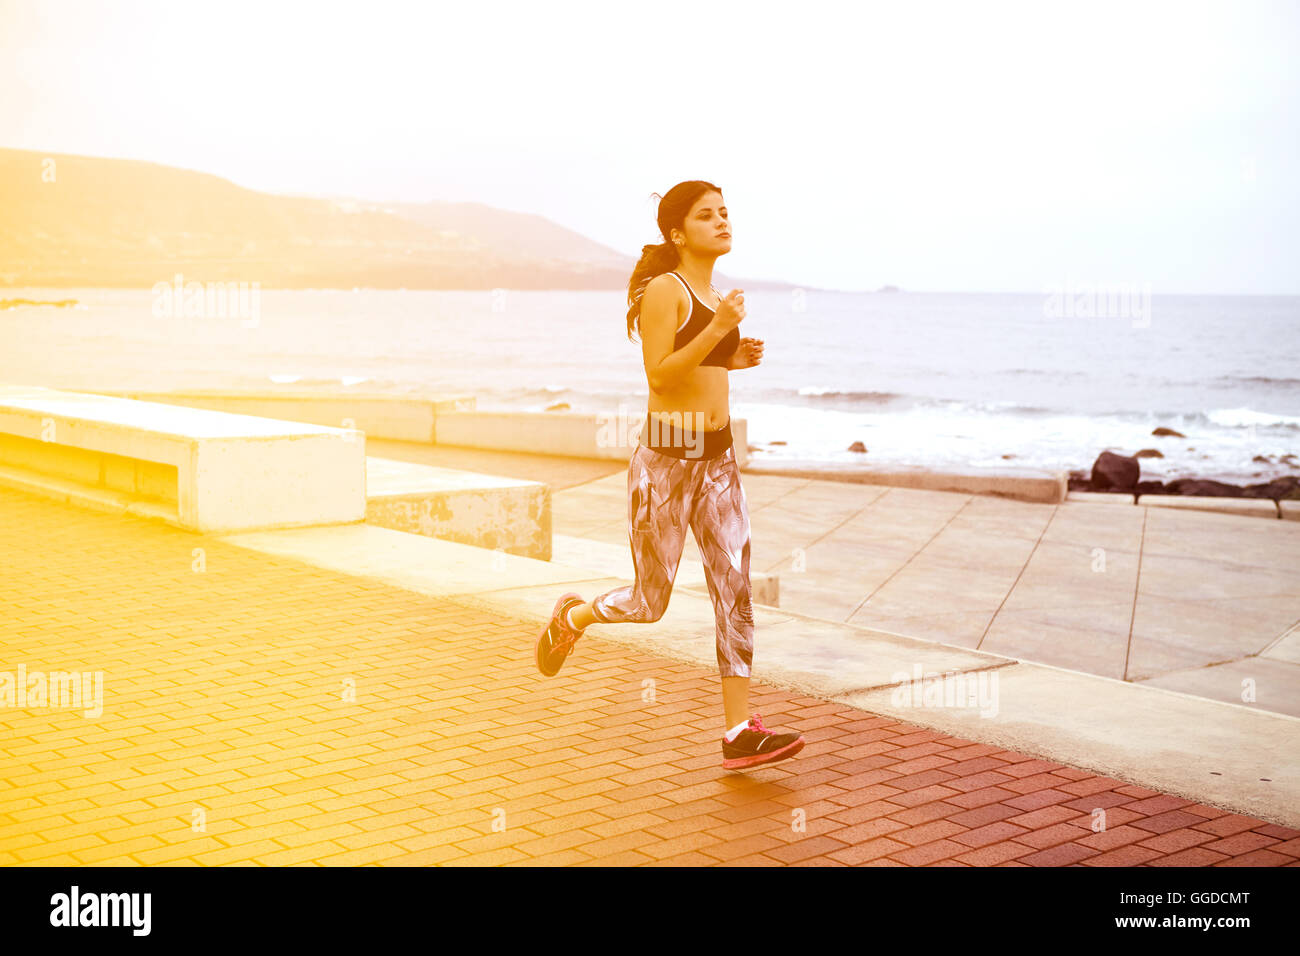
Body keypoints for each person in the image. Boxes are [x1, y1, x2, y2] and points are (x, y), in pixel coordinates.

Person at [535, 180, 804, 771]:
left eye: (725, 211)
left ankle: (737, 731)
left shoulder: (711, 291)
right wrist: (718, 332)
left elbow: (694, 368)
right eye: (707, 215)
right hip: (666, 461)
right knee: (648, 602)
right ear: (678, 233)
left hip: (717, 458)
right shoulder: (668, 288)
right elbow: (660, 377)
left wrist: (730, 357)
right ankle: (572, 616)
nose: (722, 220)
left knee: (734, 588)